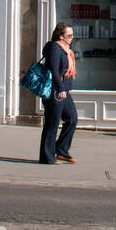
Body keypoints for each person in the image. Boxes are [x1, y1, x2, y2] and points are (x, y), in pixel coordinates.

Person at [39, 22, 78, 164]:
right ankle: (47, 156)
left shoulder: (66, 49)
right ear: (61, 36)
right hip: (56, 91)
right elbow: (54, 70)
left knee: (72, 119)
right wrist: (60, 88)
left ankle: (61, 150)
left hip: (64, 90)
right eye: (69, 35)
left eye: (72, 35)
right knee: (52, 123)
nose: (72, 37)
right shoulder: (55, 48)